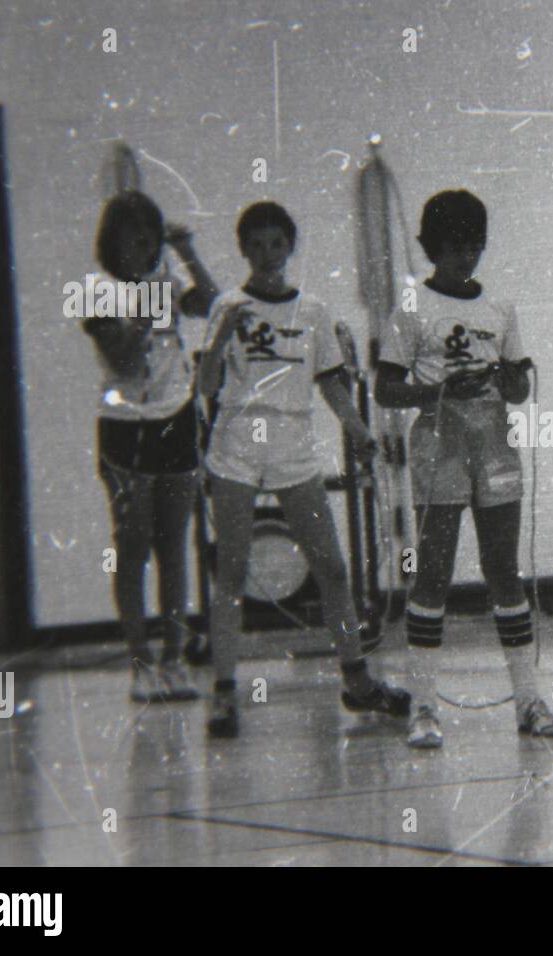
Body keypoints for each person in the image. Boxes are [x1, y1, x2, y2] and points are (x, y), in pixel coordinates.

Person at [198, 201, 409, 737]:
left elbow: (330, 381)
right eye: (258, 244)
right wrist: (223, 336)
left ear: (289, 248)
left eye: (277, 243)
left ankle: (357, 679)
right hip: (237, 443)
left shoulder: (312, 310)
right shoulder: (227, 304)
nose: (268, 254)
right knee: (231, 573)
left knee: (332, 569)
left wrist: (359, 430)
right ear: (244, 249)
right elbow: (203, 387)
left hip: (294, 442)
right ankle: (224, 691)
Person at [374, 189, 553, 749]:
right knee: (433, 573)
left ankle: (528, 701)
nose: (467, 256)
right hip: (440, 438)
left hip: (494, 439)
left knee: (503, 570)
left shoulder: (499, 307)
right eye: (456, 246)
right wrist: (436, 389)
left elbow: (520, 383)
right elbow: (386, 388)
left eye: (475, 244)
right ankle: (424, 706)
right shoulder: (412, 306)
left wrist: (505, 380)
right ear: (433, 247)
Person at [86, 191, 217, 702]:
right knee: (133, 542)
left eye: (151, 236)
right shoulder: (95, 289)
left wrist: (186, 253)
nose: (143, 246)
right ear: (114, 239)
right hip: (124, 423)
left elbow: (211, 304)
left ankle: (175, 658)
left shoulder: (168, 278)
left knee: (174, 542)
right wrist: (144, 305)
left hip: (175, 416)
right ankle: (140, 662)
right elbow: (118, 359)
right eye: (133, 236)